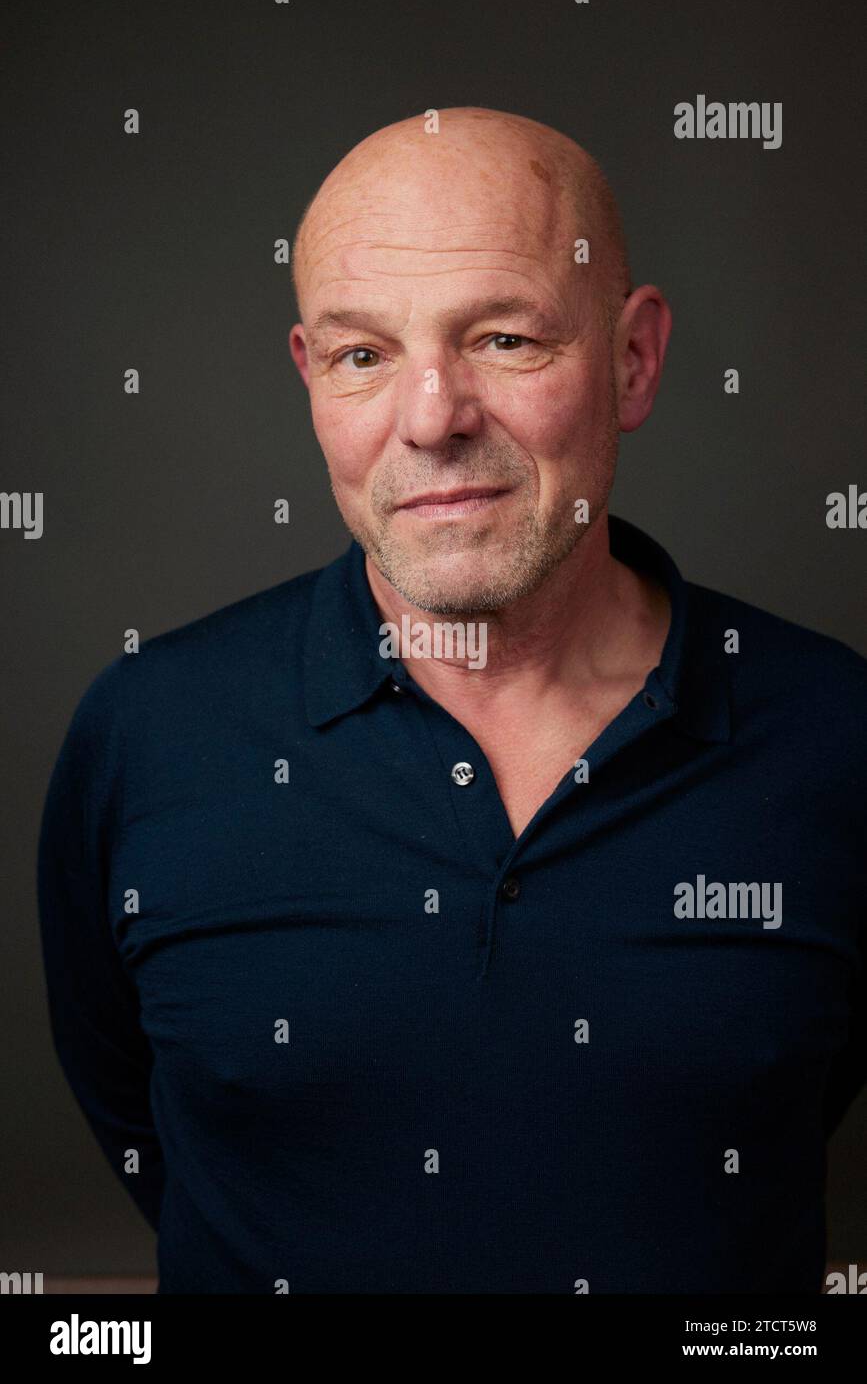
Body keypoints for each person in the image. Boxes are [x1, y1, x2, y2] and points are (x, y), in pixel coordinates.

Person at [38, 107, 867, 1294]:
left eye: (505, 339)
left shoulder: (838, 735)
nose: (432, 418)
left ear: (632, 361)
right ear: (308, 374)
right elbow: (139, 1112)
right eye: (362, 354)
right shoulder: (147, 732)